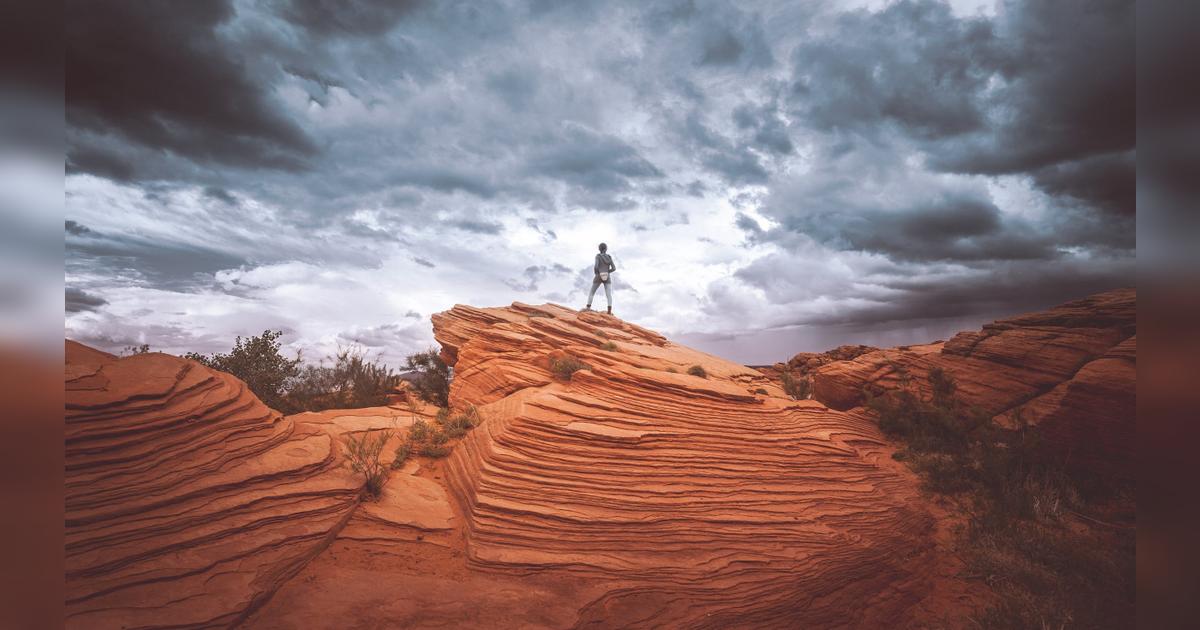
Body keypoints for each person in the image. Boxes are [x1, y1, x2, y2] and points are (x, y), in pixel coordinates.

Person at [584, 242, 616, 314]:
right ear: (606, 249)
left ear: (599, 249)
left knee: (592, 292)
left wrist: (597, 274)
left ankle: (588, 307)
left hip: (598, 275)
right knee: (608, 294)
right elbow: (614, 268)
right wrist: (607, 272)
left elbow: (596, 266)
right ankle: (609, 311)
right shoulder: (609, 257)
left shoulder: (598, 256)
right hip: (607, 277)